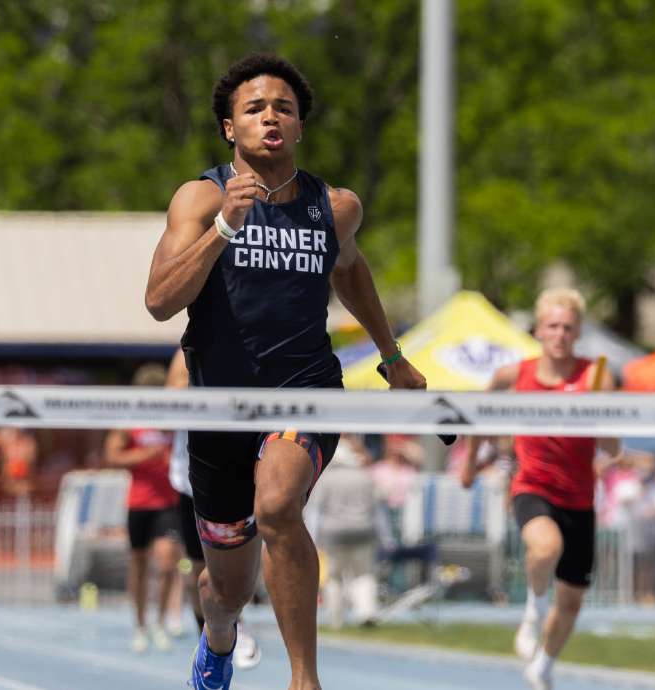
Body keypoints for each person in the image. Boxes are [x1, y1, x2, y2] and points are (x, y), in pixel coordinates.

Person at [143, 53, 426, 690]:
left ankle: (304, 679)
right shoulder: (200, 198)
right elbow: (159, 300)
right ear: (229, 128)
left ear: (299, 127)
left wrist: (392, 356)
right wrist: (223, 227)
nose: (270, 117)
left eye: (284, 108)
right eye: (254, 108)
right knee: (225, 589)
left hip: (305, 390)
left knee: (276, 506)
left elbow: (349, 268)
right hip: (217, 408)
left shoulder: (335, 207)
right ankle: (219, 639)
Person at [461, 287, 618, 690]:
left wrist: (600, 417)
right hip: (532, 486)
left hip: (579, 496)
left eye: (568, 327)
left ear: (578, 332)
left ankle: (543, 667)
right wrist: (470, 464)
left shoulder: (595, 376)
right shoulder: (515, 375)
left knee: (573, 601)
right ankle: (533, 609)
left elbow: (614, 447)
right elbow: (476, 414)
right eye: (553, 326)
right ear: (538, 330)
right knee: (546, 548)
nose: (560, 334)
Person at [166, 349, 261, 669]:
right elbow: (172, 395)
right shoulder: (185, 353)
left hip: (242, 469)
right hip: (193, 478)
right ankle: (208, 633)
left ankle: (234, 620)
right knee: (198, 567)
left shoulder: (252, 345)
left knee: (238, 559)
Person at [103, 364, 183, 654]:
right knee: (138, 563)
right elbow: (112, 455)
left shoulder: (173, 420)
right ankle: (139, 625)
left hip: (168, 503)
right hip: (139, 503)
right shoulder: (130, 421)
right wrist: (144, 455)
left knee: (167, 562)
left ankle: (160, 622)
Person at [311, 435, 380, 629]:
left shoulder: (326, 479)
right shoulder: (365, 477)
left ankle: (336, 618)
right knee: (364, 573)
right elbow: (377, 509)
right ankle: (366, 612)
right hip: (363, 530)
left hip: (333, 533)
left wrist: (313, 537)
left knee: (333, 576)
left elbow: (316, 511)